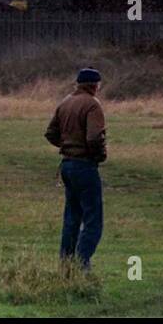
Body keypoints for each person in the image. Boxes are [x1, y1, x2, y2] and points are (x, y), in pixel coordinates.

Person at [44, 67, 107, 270]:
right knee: (93, 221)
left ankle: (66, 264)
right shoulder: (92, 105)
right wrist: (99, 155)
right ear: (95, 85)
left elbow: (50, 133)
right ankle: (82, 264)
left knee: (71, 217)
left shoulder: (65, 102)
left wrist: (67, 146)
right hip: (85, 166)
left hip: (67, 165)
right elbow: (94, 137)